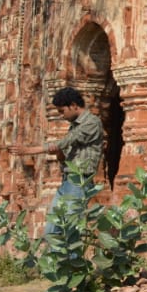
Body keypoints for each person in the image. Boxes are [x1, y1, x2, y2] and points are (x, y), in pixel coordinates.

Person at [43, 87, 104, 232]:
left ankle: (71, 256)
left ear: (73, 105)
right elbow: (65, 157)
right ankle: (56, 256)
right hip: (68, 181)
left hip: (80, 182)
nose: (61, 116)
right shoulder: (74, 126)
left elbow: (66, 141)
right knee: (52, 230)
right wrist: (58, 154)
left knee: (68, 232)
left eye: (62, 111)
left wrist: (30, 150)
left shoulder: (91, 123)